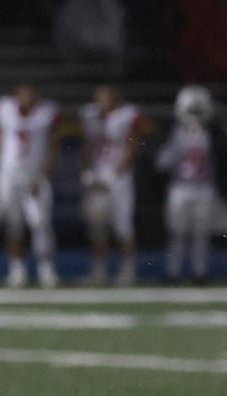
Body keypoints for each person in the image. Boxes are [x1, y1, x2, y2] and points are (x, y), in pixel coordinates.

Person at [0, 82, 58, 288]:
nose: (25, 99)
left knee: (40, 222)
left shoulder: (46, 113)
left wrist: (42, 176)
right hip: (8, 176)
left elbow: (53, 146)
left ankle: (45, 268)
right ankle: (16, 269)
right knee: (13, 225)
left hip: (34, 176)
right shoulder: (5, 109)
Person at [80, 83, 143, 286]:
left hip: (119, 177)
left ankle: (128, 270)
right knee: (96, 226)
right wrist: (88, 171)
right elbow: (88, 145)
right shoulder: (90, 116)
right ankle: (99, 271)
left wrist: (113, 174)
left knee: (123, 225)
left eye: (105, 98)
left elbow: (132, 147)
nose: (101, 103)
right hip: (98, 175)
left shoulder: (127, 116)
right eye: (99, 99)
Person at [158, 85, 218, 285]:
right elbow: (162, 162)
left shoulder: (214, 133)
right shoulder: (174, 132)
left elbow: (223, 160)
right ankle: (173, 272)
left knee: (201, 234)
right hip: (180, 187)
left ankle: (200, 272)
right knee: (177, 233)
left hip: (204, 187)